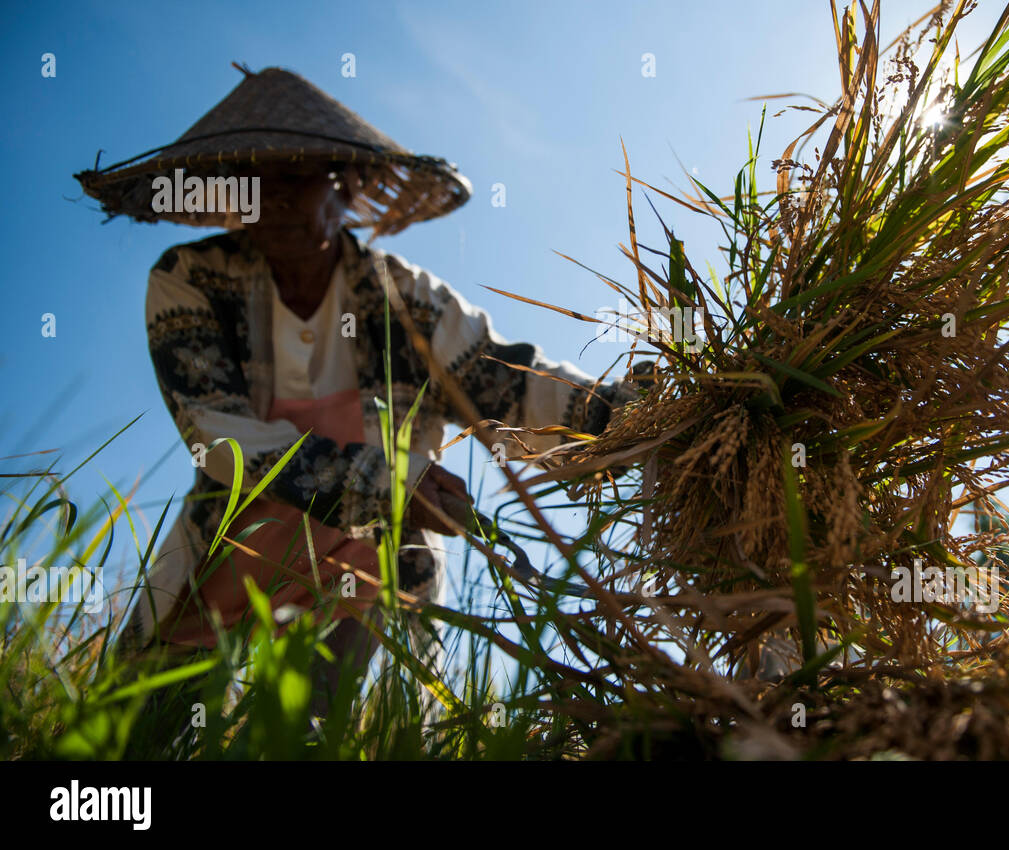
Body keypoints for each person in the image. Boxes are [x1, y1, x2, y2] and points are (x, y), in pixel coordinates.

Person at [75, 65, 635, 749]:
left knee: (309, 734)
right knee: (134, 739)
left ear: (345, 187)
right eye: (251, 181)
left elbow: (504, 383)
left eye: (294, 177)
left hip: (365, 563)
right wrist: (390, 486)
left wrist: (623, 416)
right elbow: (217, 433)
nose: (270, 198)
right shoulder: (189, 280)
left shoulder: (405, 299)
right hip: (231, 549)